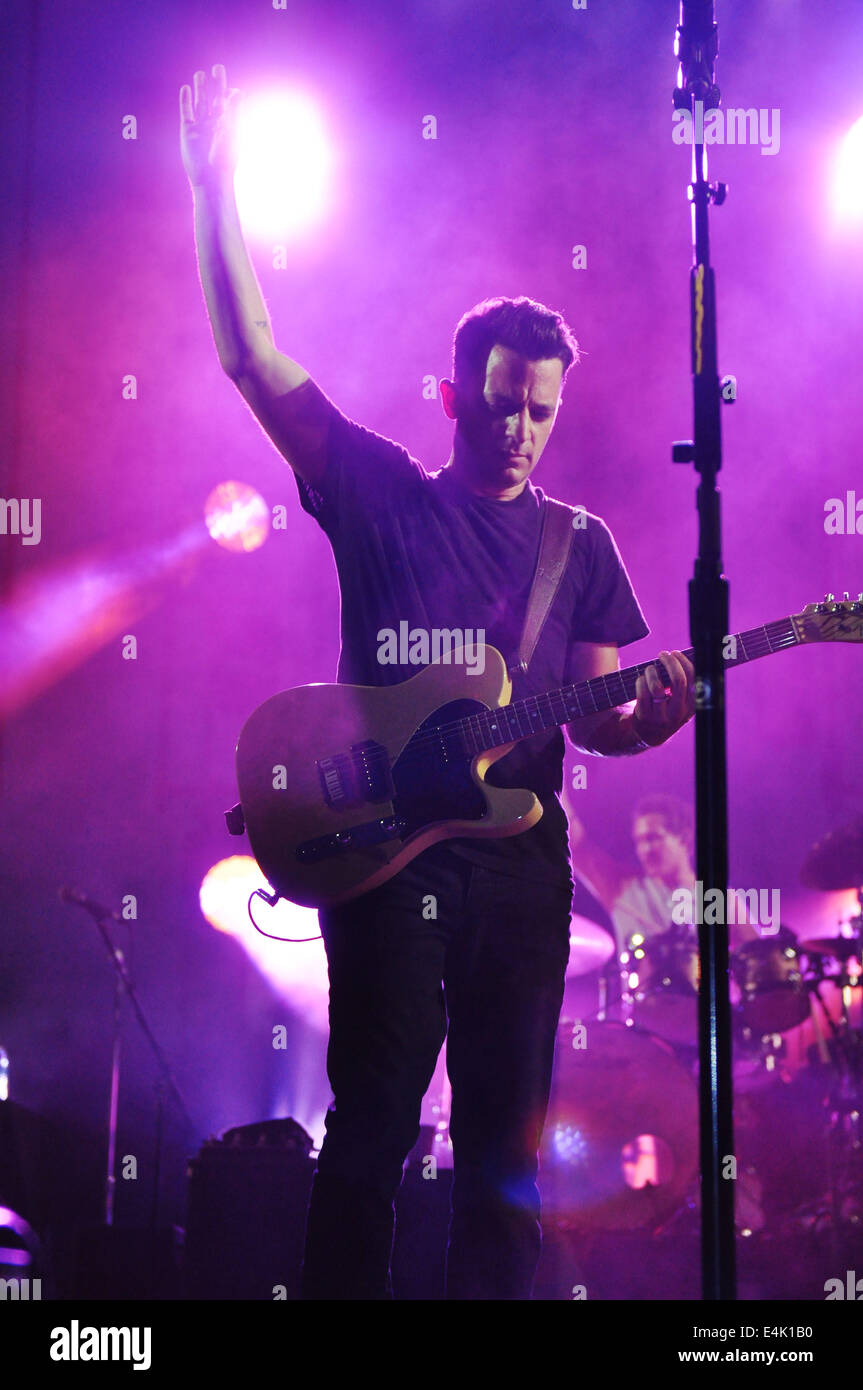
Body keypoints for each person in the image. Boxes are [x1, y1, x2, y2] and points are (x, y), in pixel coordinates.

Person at [181, 64, 696, 1299]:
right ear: (454, 394)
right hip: (382, 856)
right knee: (363, 1140)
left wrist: (656, 716)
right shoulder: (383, 496)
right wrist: (211, 184)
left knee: (500, 1164)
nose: (520, 430)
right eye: (502, 406)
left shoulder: (582, 546)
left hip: (521, 876)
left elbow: (608, 715)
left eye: (541, 412)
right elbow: (253, 358)